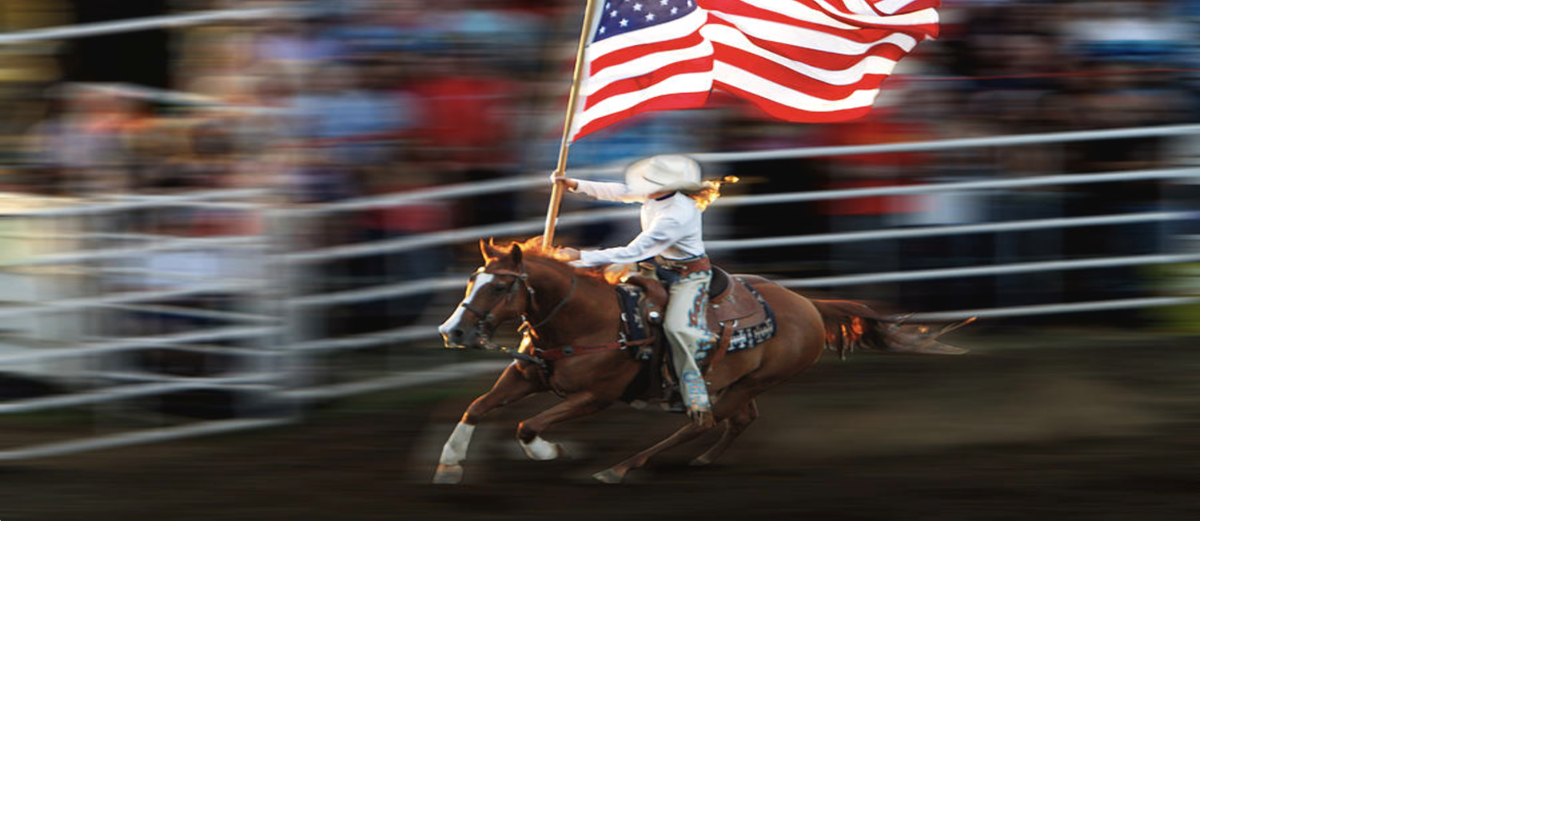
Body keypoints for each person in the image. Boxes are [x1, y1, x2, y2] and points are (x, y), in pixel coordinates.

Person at [552, 154, 718, 427]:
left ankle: (694, 390)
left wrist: (579, 255)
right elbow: (621, 191)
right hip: (656, 267)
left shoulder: (677, 214)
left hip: (688, 276)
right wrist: (574, 184)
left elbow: (636, 250)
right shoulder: (658, 196)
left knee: (678, 328)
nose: (644, 186)